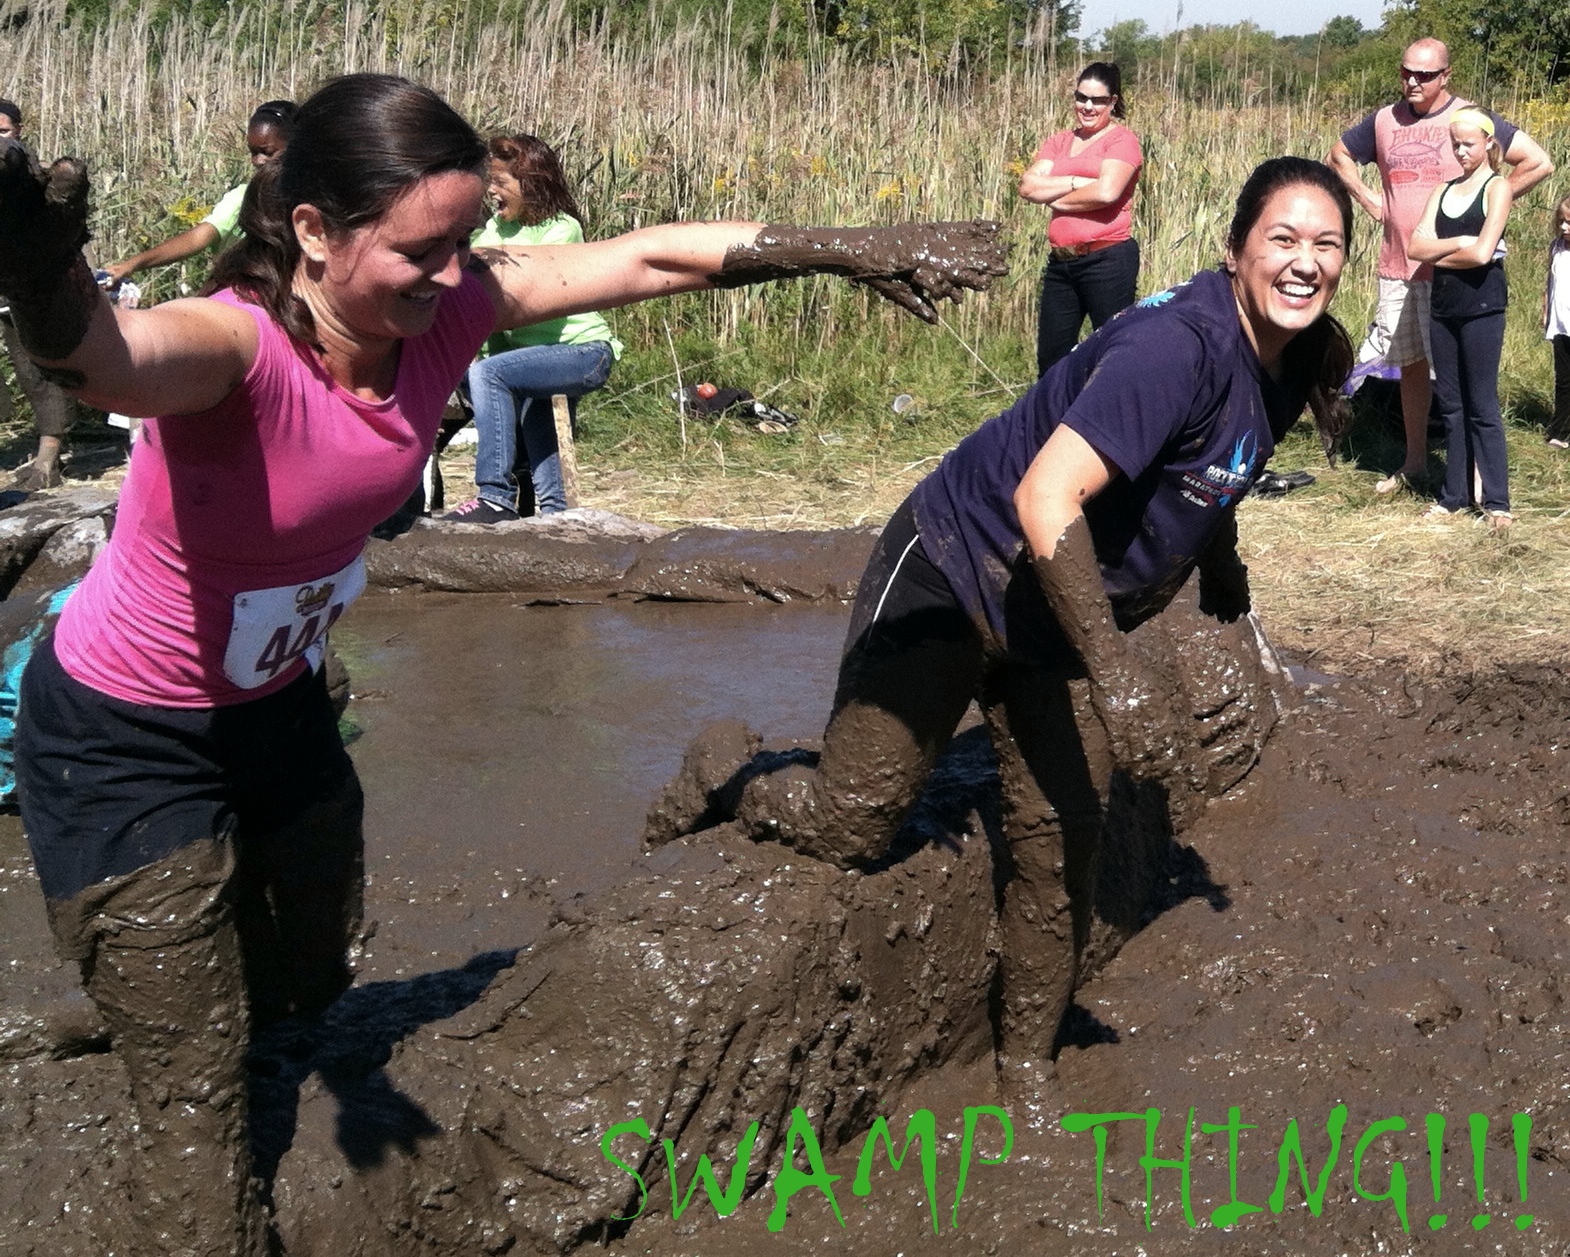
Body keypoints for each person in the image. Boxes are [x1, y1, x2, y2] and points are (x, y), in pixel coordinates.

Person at [0, 72, 1003, 1254]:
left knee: (316, 967)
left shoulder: (447, 310)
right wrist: (41, 279)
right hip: (127, 731)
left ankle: (132, 1003)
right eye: (422, 250)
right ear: (315, 231)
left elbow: (642, 263)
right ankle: (159, 1045)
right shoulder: (239, 345)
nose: (453, 272)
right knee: (198, 1106)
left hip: (278, 706)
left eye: (467, 243)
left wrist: (838, 247)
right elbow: (111, 363)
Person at [648, 155, 1353, 1071]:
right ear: (1234, 250)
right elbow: (1045, 499)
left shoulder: (1295, 355)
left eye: (1327, 244)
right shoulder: (1173, 349)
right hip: (954, 568)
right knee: (854, 821)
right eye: (1283, 239)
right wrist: (1117, 674)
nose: (1305, 261)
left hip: (1057, 615)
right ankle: (722, 770)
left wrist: (1223, 565)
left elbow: (1210, 470)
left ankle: (1026, 1070)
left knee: (1064, 846)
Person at [1326, 37, 1552, 494]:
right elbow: (1338, 156)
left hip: (1458, 274)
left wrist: (1493, 204)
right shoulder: (1384, 120)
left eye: (1425, 75)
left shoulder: (1467, 118)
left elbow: (1539, 162)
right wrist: (1369, 197)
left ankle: (1469, 473)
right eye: (1406, 72)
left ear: (1445, 76)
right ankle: (1414, 461)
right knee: (1410, 365)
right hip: (1399, 267)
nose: (1413, 81)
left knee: (1460, 376)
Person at [444, 134, 621, 522]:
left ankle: (494, 496)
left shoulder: (563, 229)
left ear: (530, 184)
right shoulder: (494, 231)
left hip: (583, 352)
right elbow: (479, 294)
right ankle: (555, 519)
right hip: (531, 358)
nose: (491, 191)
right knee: (541, 436)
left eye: (500, 182)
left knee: (489, 374)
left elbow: (516, 286)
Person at [1408, 109, 1514, 528]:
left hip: (1483, 309)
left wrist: (1445, 250)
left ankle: (1497, 502)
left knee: (1482, 405)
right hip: (1443, 308)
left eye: (1468, 143)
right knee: (1450, 405)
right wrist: (1458, 241)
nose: (1460, 151)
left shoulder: (1497, 187)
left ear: (1488, 142)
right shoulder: (1442, 189)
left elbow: (1483, 253)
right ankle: (1453, 496)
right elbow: (1416, 247)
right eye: (1455, 144)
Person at [1018, 62, 1142, 376]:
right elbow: (1028, 186)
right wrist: (1077, 182)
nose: (1087, 106)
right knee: (1051, 358)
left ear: (1112, 102)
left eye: (1097, 100)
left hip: (1107, 260)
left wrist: (1057, 197)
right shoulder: (1059, 141)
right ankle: (1053, 420)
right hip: (1062, 263)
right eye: (1081, 97)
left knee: (1112, 353)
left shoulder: (1121, 141)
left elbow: (1107, 193)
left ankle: (1111, 420)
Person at [100, 99, 297, 288]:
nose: (257, 161)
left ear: (297, 147)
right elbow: (198, 238)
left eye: (267, 152)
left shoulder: (312, 201)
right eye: (253, 152)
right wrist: (133, 264)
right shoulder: (243, 199)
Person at [0, 98, 78, 490]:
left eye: (3, 132)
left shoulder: (38, 180)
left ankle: (49, 457)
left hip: (26, 287)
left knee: (36, 368)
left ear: (19, 132)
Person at [1543, 193, 1570, 449]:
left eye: (1569, 222)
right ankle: (1559, 431)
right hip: (1562, 325)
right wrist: (1546, 312)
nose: (1564, 227)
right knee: (1563, 381)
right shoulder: (1557, 248)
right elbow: (1550, 284)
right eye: (1562, 221)